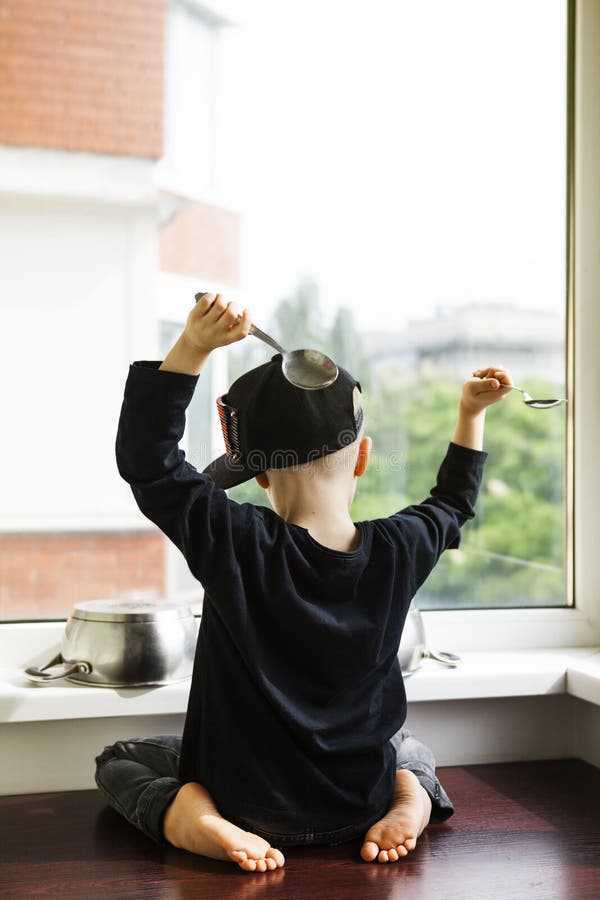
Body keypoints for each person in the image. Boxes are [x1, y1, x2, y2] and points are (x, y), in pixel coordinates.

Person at [95, 292, 512, 873]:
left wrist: (193, 346)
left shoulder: (234, 541)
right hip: (357, 801)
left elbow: (151, 462)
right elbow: (453, 503)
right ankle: (412, 794)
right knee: (407, 749)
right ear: (362, 458)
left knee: (123, 758)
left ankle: (184, 815)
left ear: (260, 477)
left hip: (246, 803)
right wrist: (472, 412)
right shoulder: (400, 547)